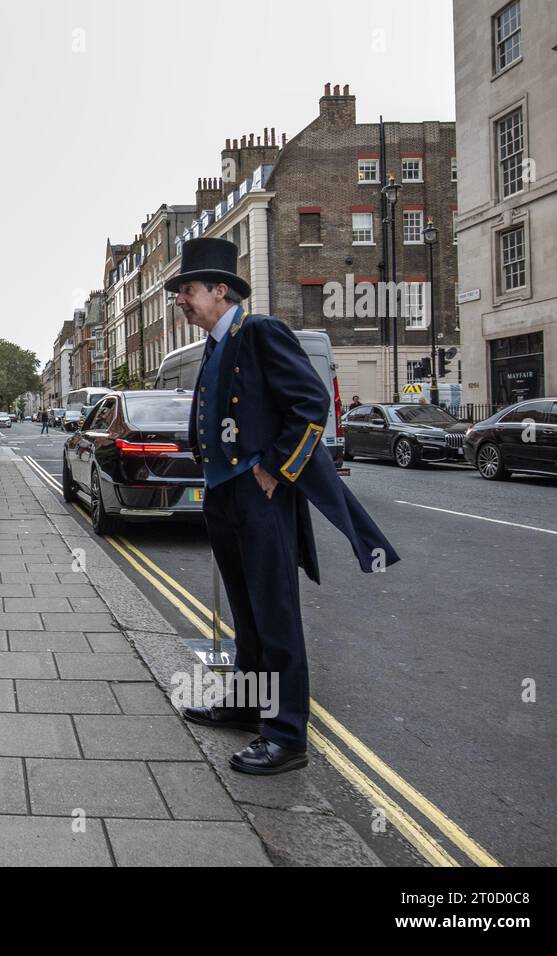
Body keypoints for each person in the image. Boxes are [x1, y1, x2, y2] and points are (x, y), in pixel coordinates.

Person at [166, 237, 399, 776]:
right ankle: (248, 705)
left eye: (189, 289)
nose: (181, 298)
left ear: (220, 290)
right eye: (179, 290)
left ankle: (287, 734)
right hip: (223, 495)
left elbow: (311, 403)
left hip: (258, 495)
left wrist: (275, 467)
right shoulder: (215, 343)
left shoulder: (261, 331)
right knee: (246, 614)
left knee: (275, 615)